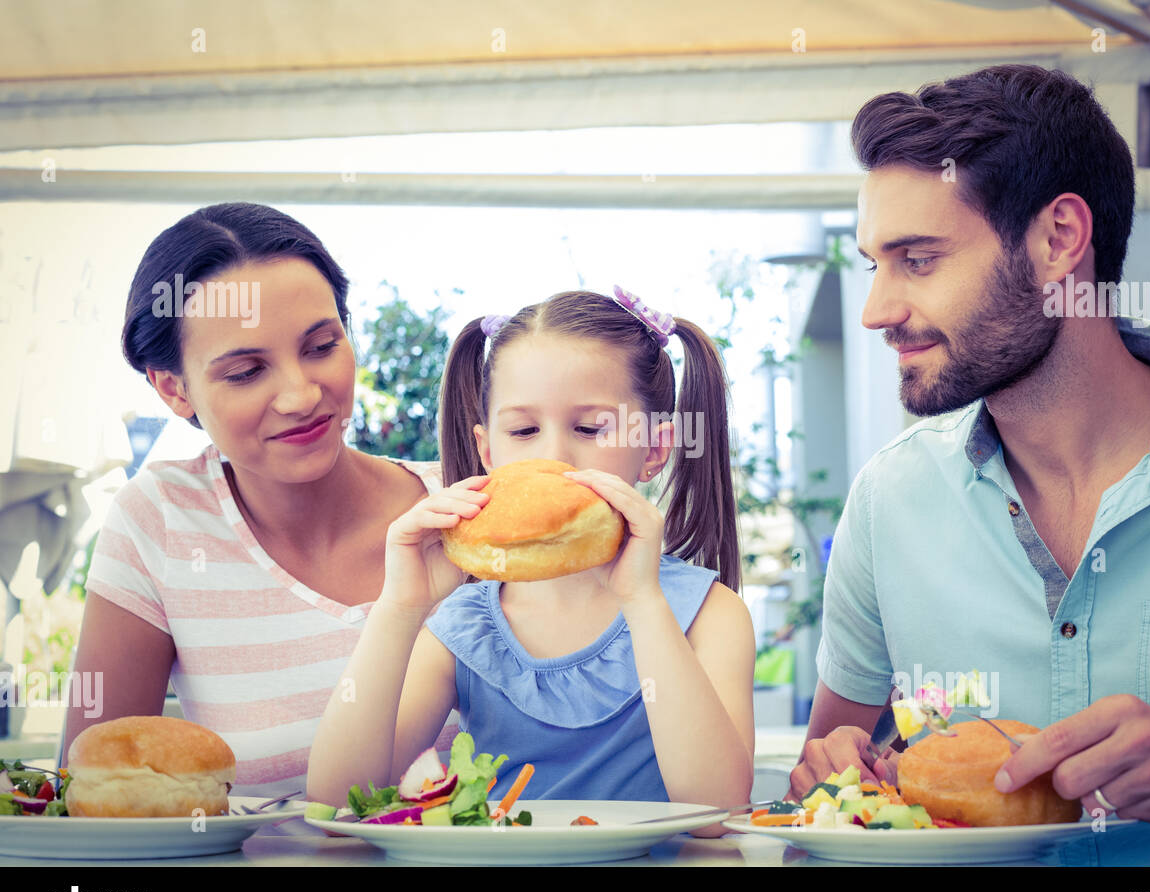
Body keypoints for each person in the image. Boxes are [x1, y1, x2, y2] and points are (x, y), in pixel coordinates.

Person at [789, 64, 1150, 865]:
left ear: (1058, 240)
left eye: (918, 259)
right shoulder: (889, 500)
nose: (877, 311)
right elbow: (820, 799)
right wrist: (834, 779)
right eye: (873, 265)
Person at [307, 290, 755, 829]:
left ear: (654, 450)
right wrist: (399, 607)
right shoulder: (465, 626)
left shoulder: (709, 614)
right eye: (523, 431)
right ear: (489, 453)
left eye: (590, 429)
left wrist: (642, 600)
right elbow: (338, 800)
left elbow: (715, 811)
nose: (553, 458)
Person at [62, 203, 444, 797]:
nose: (300, 395)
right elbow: (94, 791)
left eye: (321, 346)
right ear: (174, 388)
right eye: (245, 371)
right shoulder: (159, 520)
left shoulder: (467, 507)